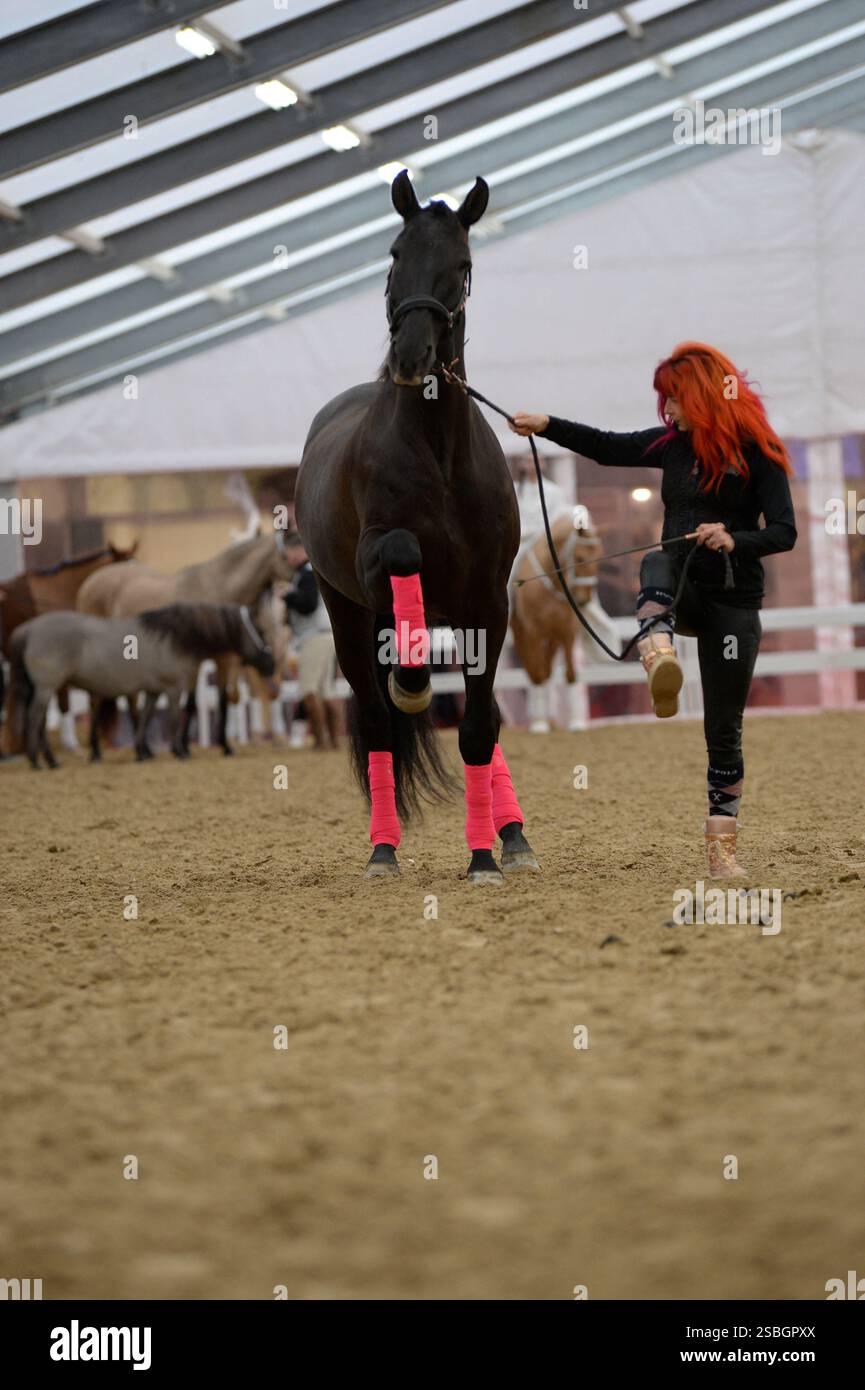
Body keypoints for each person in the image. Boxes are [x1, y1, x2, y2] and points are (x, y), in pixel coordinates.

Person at [508, 341, 796, 879]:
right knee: (655, 560)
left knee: (724, 729)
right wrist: (546, 424)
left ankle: (721, 855)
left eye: (675, 400)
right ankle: (657, 651)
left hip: (733, 603)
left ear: (702, 396)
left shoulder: (758, 451)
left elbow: (785, 531)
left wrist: (734, 538)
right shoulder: (671, 446)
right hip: (677, 588)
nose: (669, 412)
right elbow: (604, 445)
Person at [281, 533, 341, 750]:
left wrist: (288, 596)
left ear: (298, 551)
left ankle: (321, 740)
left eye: (289, 552)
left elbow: (308, 604)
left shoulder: (305, 575)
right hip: (324, 635)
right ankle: (334, 740)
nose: (287, 557)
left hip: (313, 637)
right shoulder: (313, 572)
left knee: (308, 690)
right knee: (326, 690)